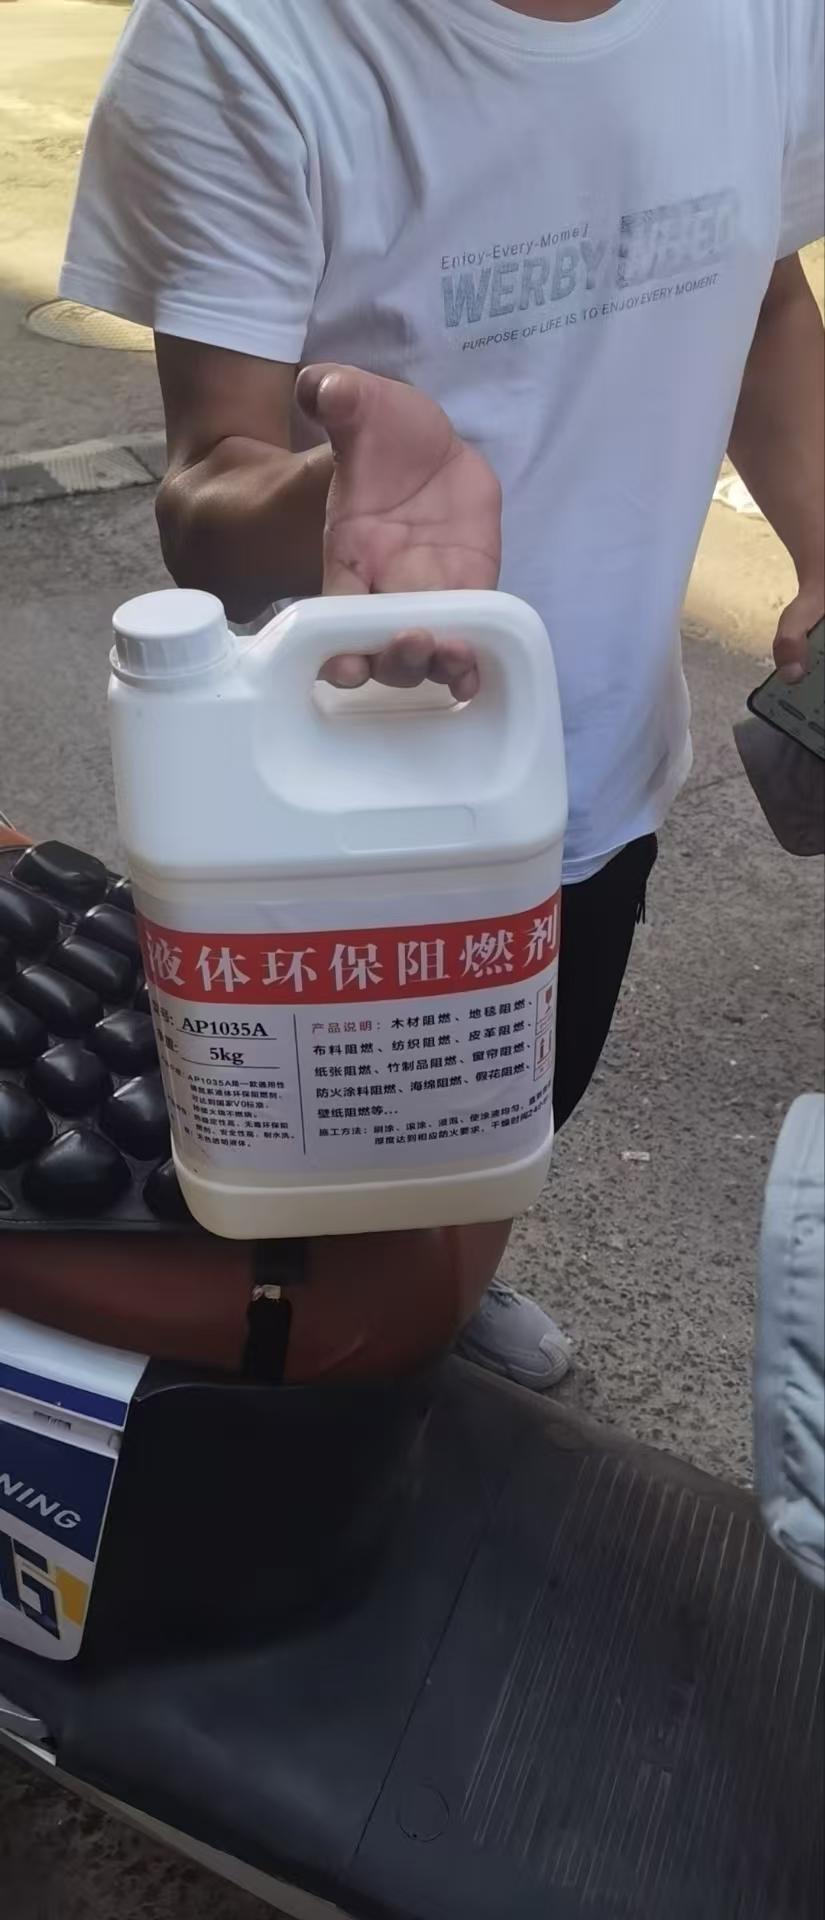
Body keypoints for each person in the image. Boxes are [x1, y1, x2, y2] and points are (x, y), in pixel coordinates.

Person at [59, 0, 825, 1389]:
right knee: (332, 1170)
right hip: (347, 801)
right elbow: (208, 482)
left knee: (522, 1099)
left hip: (599, 744)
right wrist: (324, 499)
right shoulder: (239, 35)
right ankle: (364, 1325)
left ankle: (446, 1278)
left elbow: (765, 296)